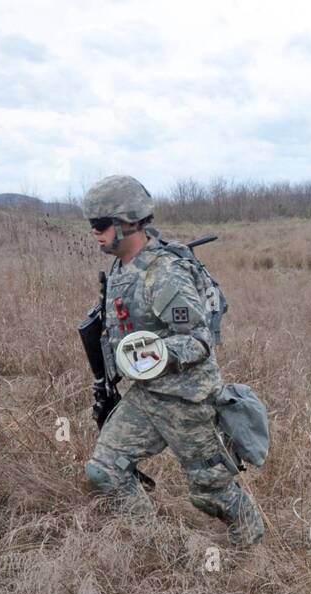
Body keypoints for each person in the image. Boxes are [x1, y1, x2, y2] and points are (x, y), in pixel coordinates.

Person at [81, 174, 263, 546]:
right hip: (147, 396)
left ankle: (254, 552)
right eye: (92, 226)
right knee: (104, 471)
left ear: (127, 222)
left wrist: (160, 354)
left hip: (187, 401)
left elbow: (199, 339)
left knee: (210, 492)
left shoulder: (163, 273)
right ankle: (154, 546)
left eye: (100, 225)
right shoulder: (122, 267)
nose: (95, 234)